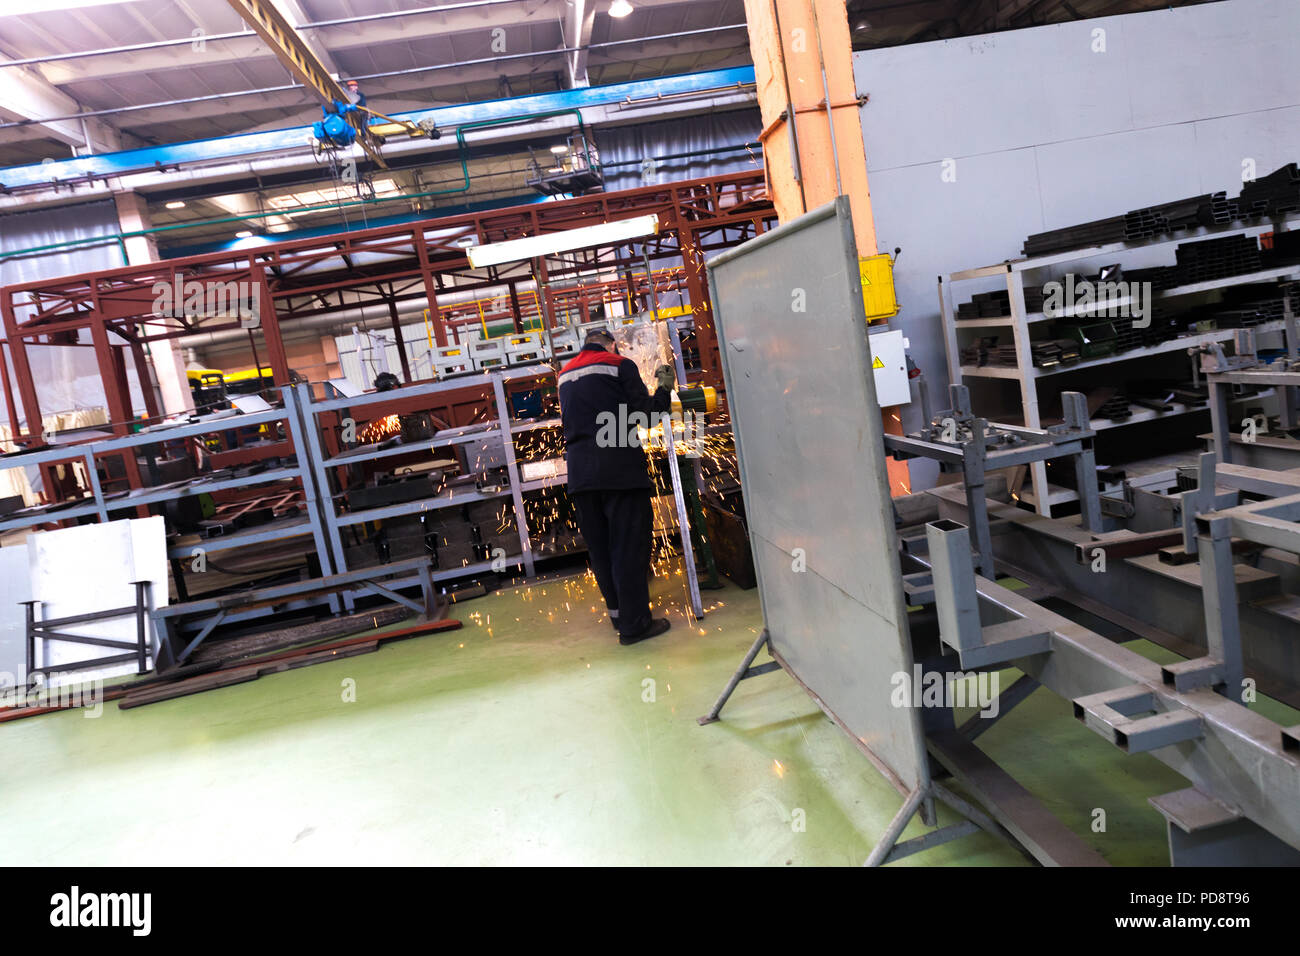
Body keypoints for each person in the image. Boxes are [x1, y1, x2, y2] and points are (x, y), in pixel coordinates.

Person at [558, 328, 677, 645]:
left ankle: (618, 616)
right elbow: (647, 416)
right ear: (611, 344)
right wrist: (664, 387)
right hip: (619, 470)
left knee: (602, 550)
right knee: (628, 547)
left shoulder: (564, 374)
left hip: (580, 474)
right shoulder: (619, 364)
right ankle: (635, 626)